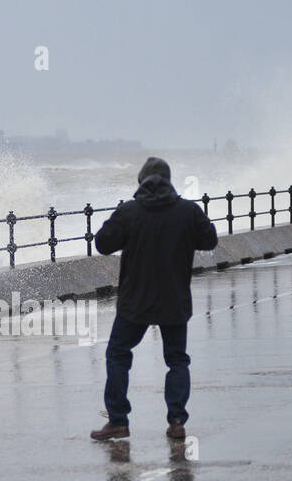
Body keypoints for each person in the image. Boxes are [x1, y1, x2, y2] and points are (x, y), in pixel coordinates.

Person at [90, 157, 218, 441]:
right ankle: (176, 421)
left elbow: (102, 244)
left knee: (118, 355)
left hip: (135, 301)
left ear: (141, 181)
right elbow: (209, 240)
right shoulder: (188, 211)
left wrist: (116, 220)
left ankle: (118, 421)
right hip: (174, 298)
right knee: (176, 360)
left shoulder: (129, 212)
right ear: (169, 181)